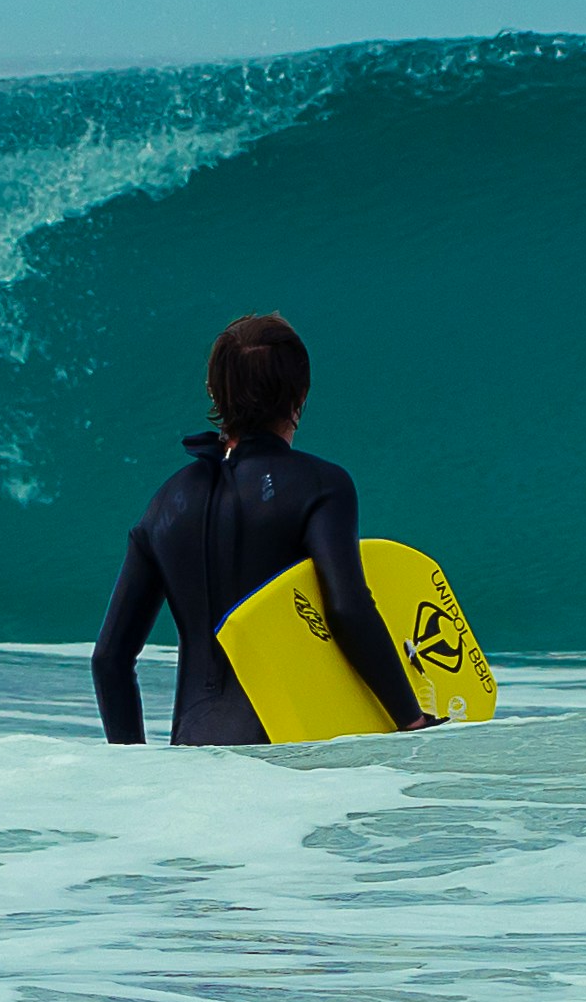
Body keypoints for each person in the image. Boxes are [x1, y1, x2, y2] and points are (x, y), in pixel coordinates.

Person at [92, 313, 435, 747]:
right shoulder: (321, 485)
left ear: (214, 393)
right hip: (291, 750)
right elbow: (347, 609)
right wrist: (410, 720)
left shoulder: (166, 504)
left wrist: (136, 769)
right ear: (301, 393)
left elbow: (110, 659)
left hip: (191, 756)